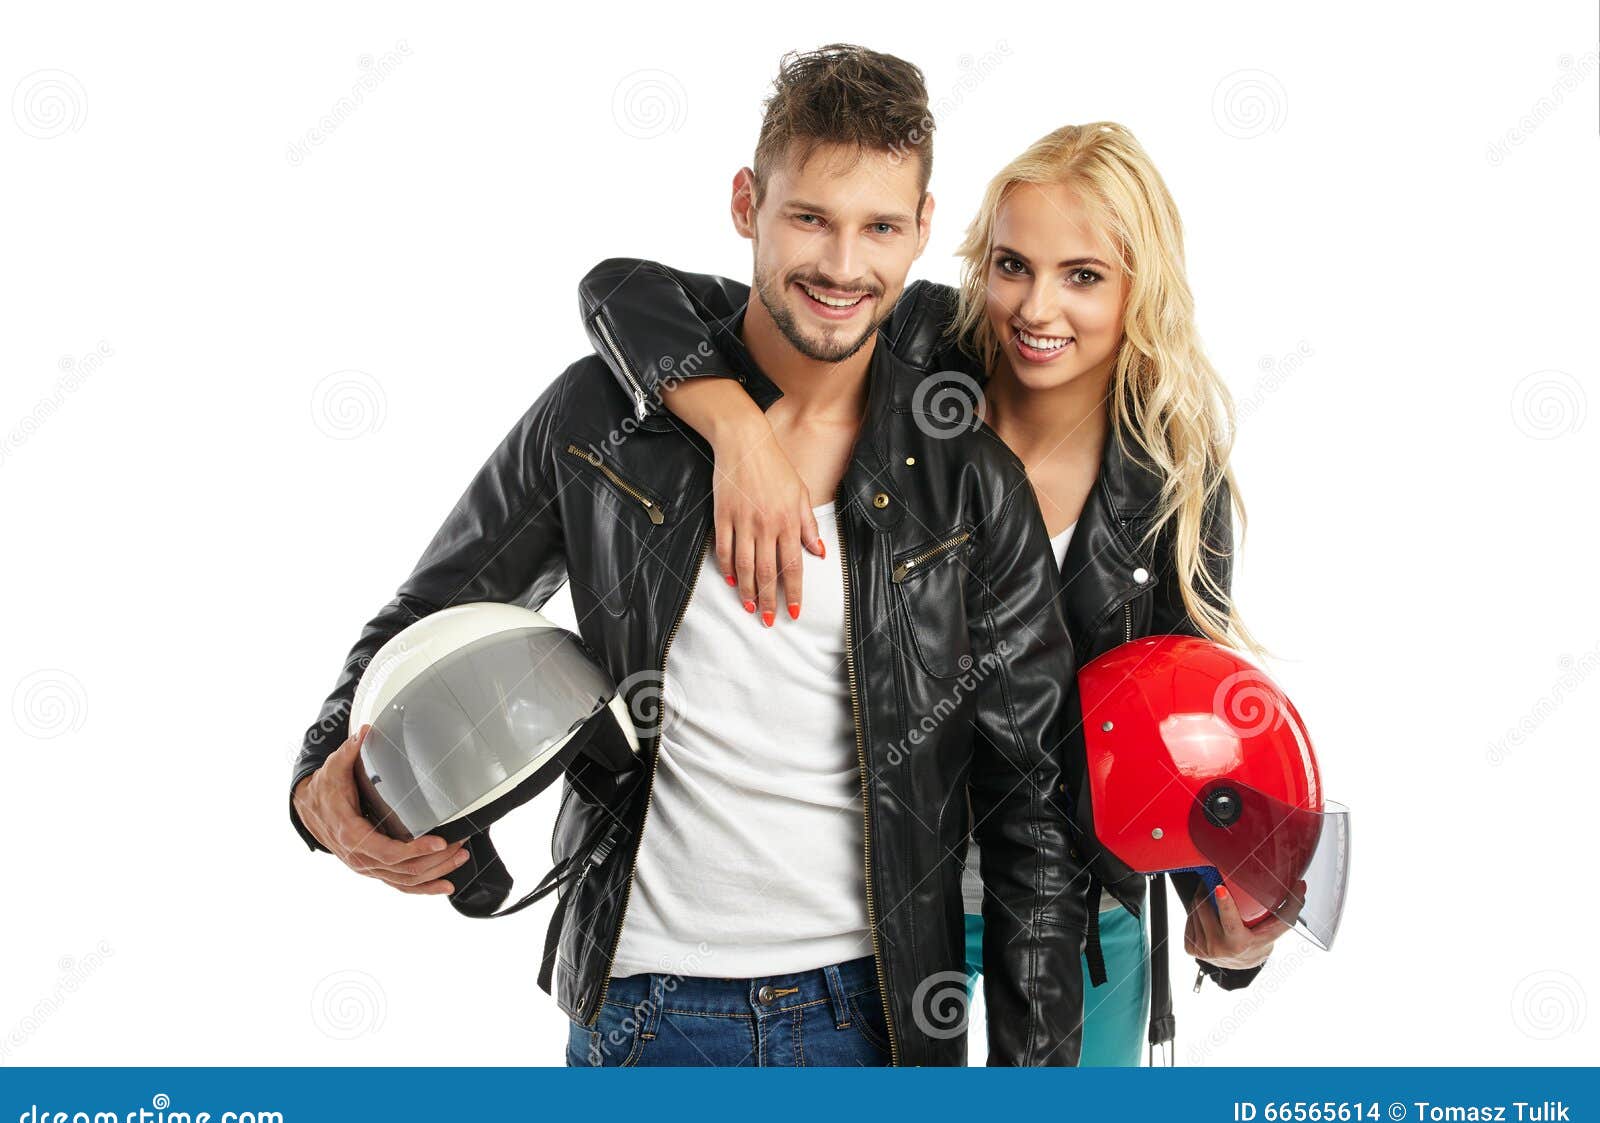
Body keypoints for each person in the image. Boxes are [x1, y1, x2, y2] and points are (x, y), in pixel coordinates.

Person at [290, 44, 1090, 1067]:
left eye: (881, 227)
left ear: (924, 229)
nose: (843, 266)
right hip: (640, 1012)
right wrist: (319, 778)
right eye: (810, 218)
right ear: (746, 203)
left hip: (875, 1018)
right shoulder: (598, 418)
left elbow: (1031, 813)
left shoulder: (967, 477)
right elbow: (426, 619)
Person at [575, 121, 1295, 1065]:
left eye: (1082, 276)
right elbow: (626, 294)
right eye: (1012, 265)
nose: (1036, 306)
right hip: (880, 910)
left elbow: (1179, 730)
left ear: (1139, 290)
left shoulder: (1171, 488)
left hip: (1076, 911)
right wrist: (736, 431)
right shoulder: (911, 343)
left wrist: (1228, 912)